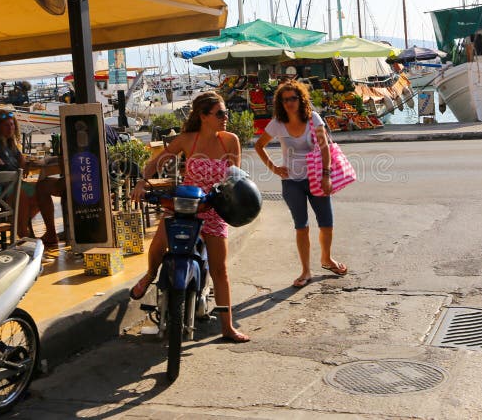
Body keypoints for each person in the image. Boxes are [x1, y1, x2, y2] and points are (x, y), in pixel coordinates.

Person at [129, 92, 249, 343]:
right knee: (159, 245)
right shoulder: (186, 140)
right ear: (203, 116)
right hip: (186, 205)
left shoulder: (231, 141)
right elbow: (155, 163)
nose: (225, 118)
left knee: (220, 270)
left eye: (226, 113)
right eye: (220, 113)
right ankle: (151, 275)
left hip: (214, 207)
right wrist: (142, 182)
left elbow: (234, 177)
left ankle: (227, 327)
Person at [254, 80, 347, 288]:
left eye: (293, 98)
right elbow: (259, 145)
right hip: (291, 182)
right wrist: (274, 168)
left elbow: (325, 149)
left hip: (316, 177)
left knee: (326, 223)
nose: (289, 103)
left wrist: (326, 175)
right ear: (280, 102)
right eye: (285, 99)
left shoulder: (313, 118)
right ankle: (306, 270)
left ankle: (326, 259)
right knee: (301, 227)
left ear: (301, 99)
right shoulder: (278, 123)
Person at [35, 123, 120, 248]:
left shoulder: (71, 129)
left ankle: (52, 233)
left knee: (42, 187)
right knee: (64, 186)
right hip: (112, 180)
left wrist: (45, 161)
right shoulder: (107, 128)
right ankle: (71, 230)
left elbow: (67, 161)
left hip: (87, 181)